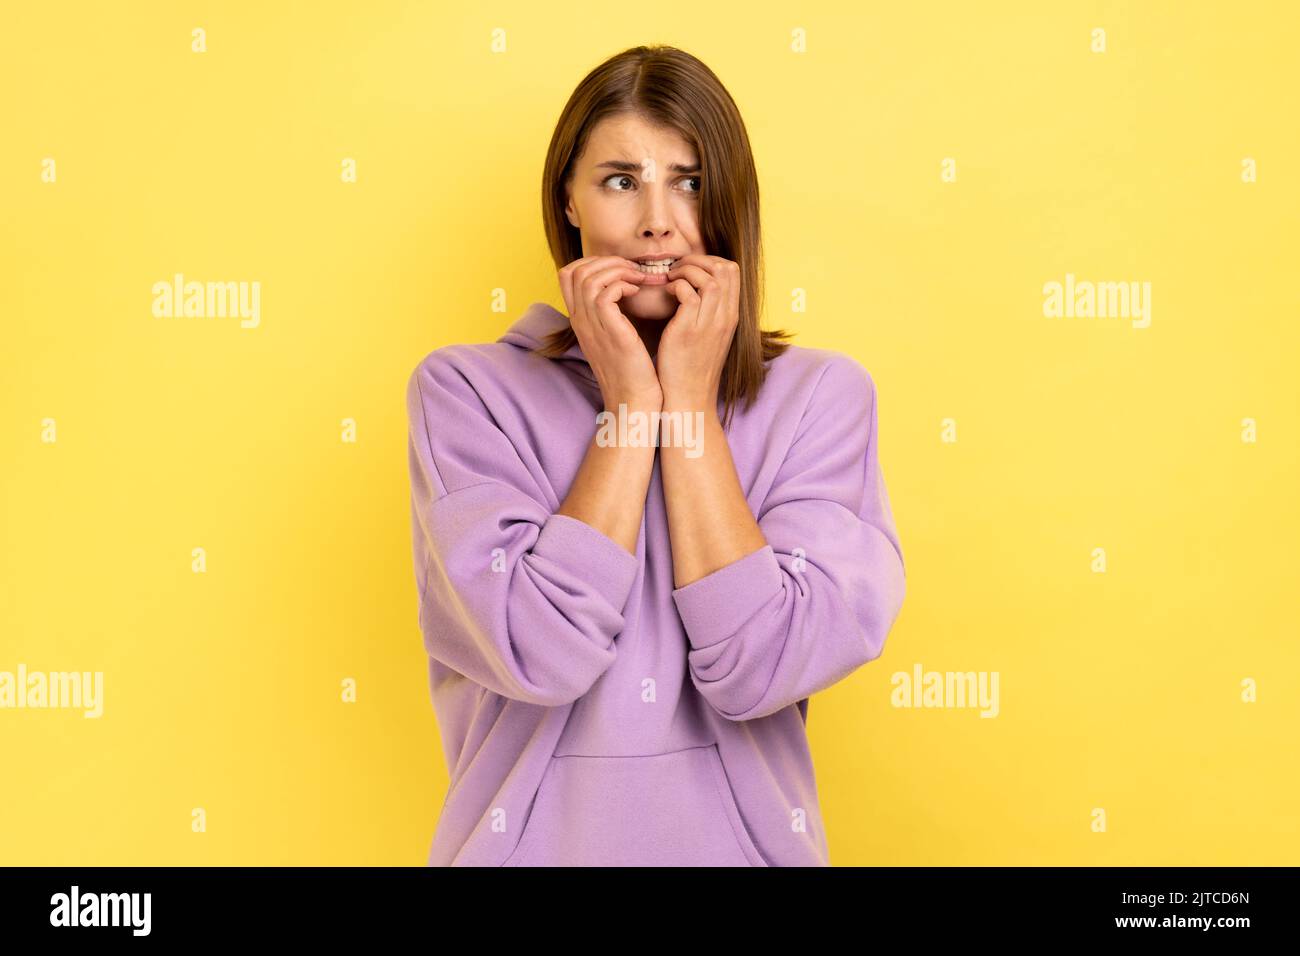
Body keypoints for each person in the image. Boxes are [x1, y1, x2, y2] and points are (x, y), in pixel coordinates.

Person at [405, 44, 906, 866]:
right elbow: (539, 650)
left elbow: (761, 667)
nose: (656, 221)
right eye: (619, 180)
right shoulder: (466, 392)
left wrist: (691, 408)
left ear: (728, 202)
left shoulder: (822, 397)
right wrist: (633, 408)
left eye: (690, 181)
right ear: (568, 198)